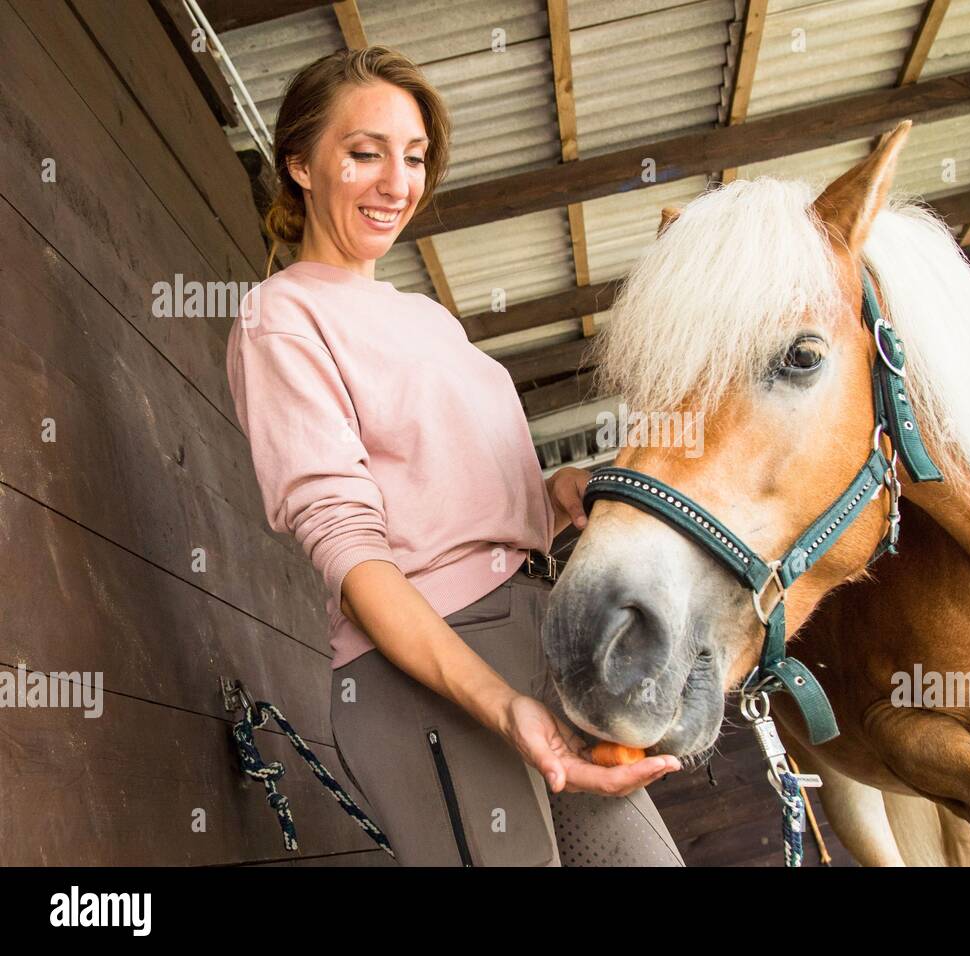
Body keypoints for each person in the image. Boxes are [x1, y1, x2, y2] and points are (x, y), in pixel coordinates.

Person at [225, 45, 684, 866]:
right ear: (299, 163)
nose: (397, 182)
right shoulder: (281, 317)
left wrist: (551, 496)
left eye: (413, 157)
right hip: (435, 669)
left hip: (541, 628)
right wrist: (500, 702)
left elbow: (445, 506)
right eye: (364, 153)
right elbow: (352, 554)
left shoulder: (429, 318)